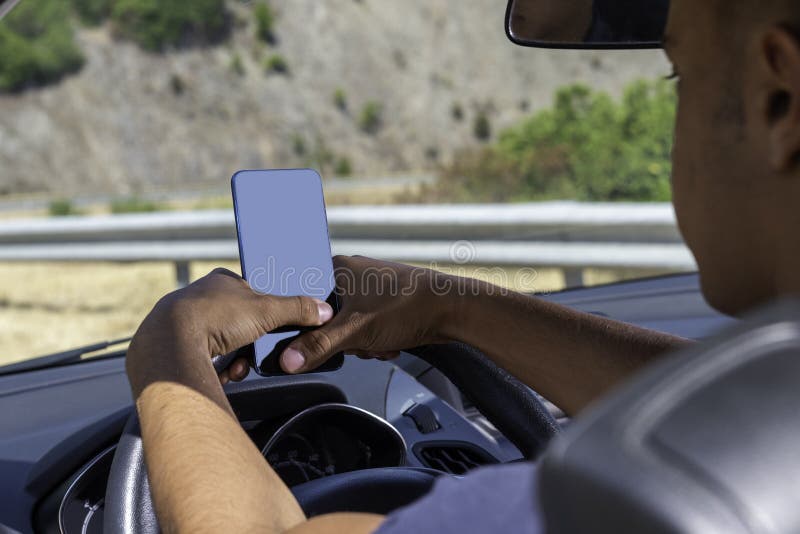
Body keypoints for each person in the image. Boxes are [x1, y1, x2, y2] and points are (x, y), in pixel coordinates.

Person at [125, 0, 800, 531]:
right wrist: (450, 306)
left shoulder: (591, 511)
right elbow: (712, 409)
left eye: (680, 74)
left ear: (781, 98)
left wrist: (169, 346)